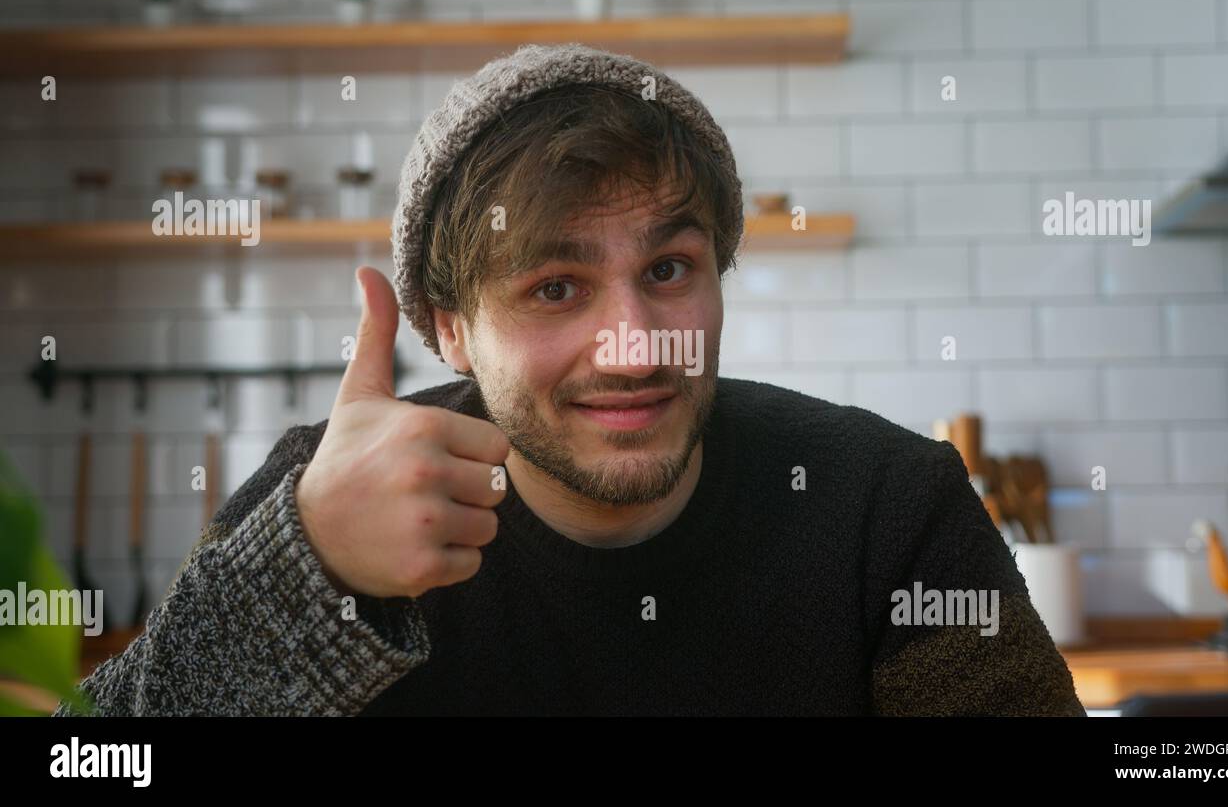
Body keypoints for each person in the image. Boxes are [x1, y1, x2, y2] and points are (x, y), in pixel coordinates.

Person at [56, 43, 1084, 716]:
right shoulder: (320, 504)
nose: (634, 346)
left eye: (668, 270)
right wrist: (307, 575)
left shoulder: (884, 503)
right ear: (449, 328)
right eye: (554, 287)